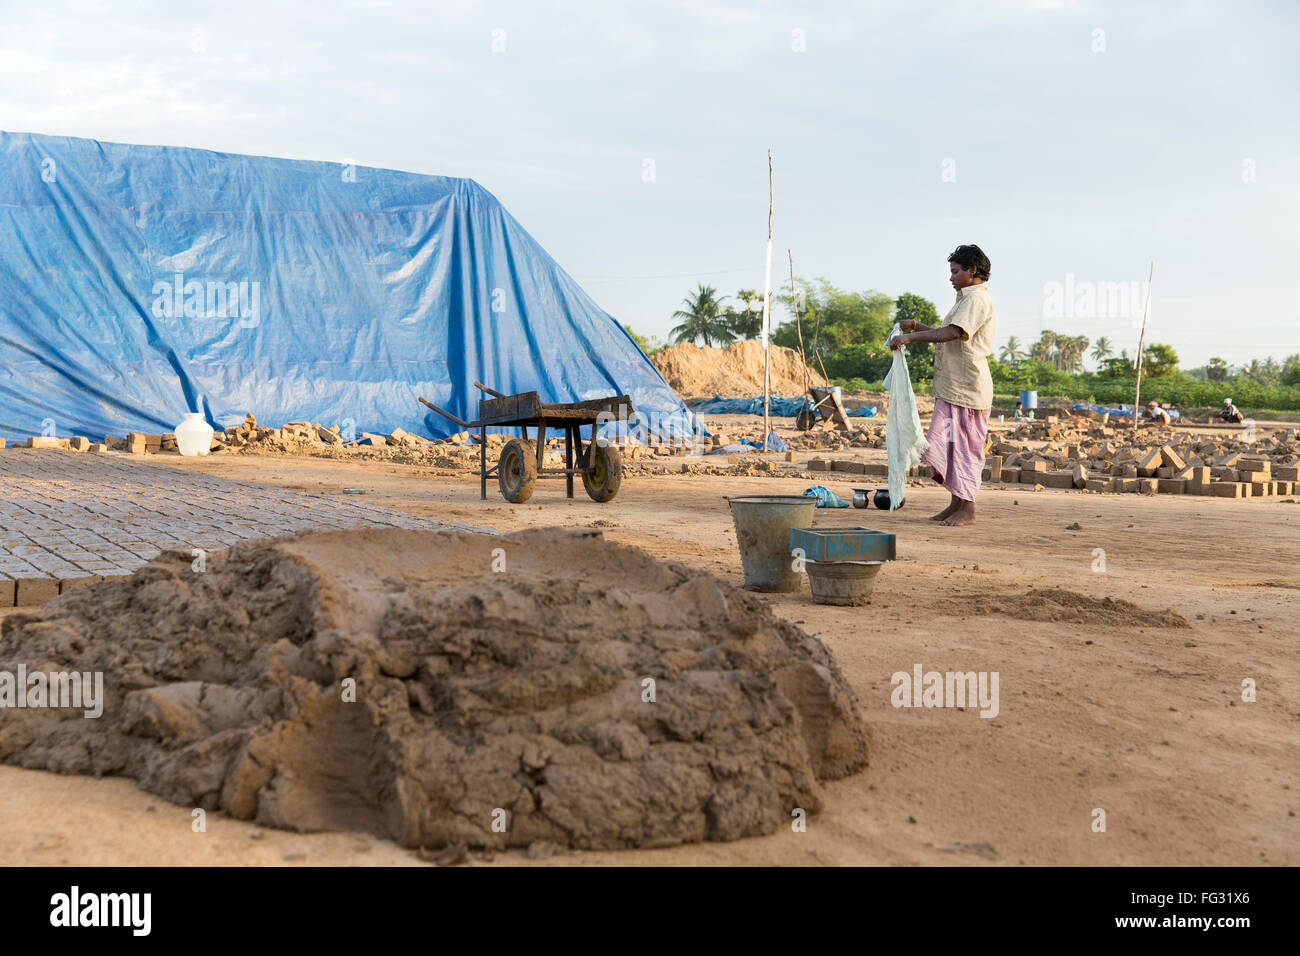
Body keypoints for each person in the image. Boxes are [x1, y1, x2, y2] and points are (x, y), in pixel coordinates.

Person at [890, 244, 995, 527]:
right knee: (950, 446)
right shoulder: (963, 300)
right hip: (954, 387)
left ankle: (968, 510)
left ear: (972, 270)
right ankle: (955, 504)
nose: (950, 278)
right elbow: (945, 331)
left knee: (965, 448)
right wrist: (915, 325)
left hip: (968, 389)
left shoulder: (976, 300)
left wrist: (910, 338)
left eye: (955, 271)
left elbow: (953, 333)